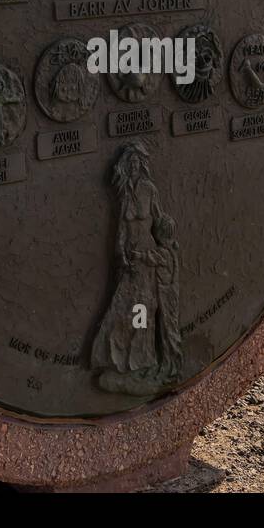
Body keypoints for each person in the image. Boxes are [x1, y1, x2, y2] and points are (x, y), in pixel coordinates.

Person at [91, 142, 183, 395]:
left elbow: (160, 218)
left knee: (144, 309)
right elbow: (121, 226)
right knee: (122, 308)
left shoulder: (149, 190)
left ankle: (142, 362)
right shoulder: (125, 193)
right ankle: (116, 360)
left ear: (141, 166)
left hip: (146, 255)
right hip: (129, 257)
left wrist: (164, 249)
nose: (133, 167)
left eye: (136, 163)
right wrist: (120, 252)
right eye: (129, 163)